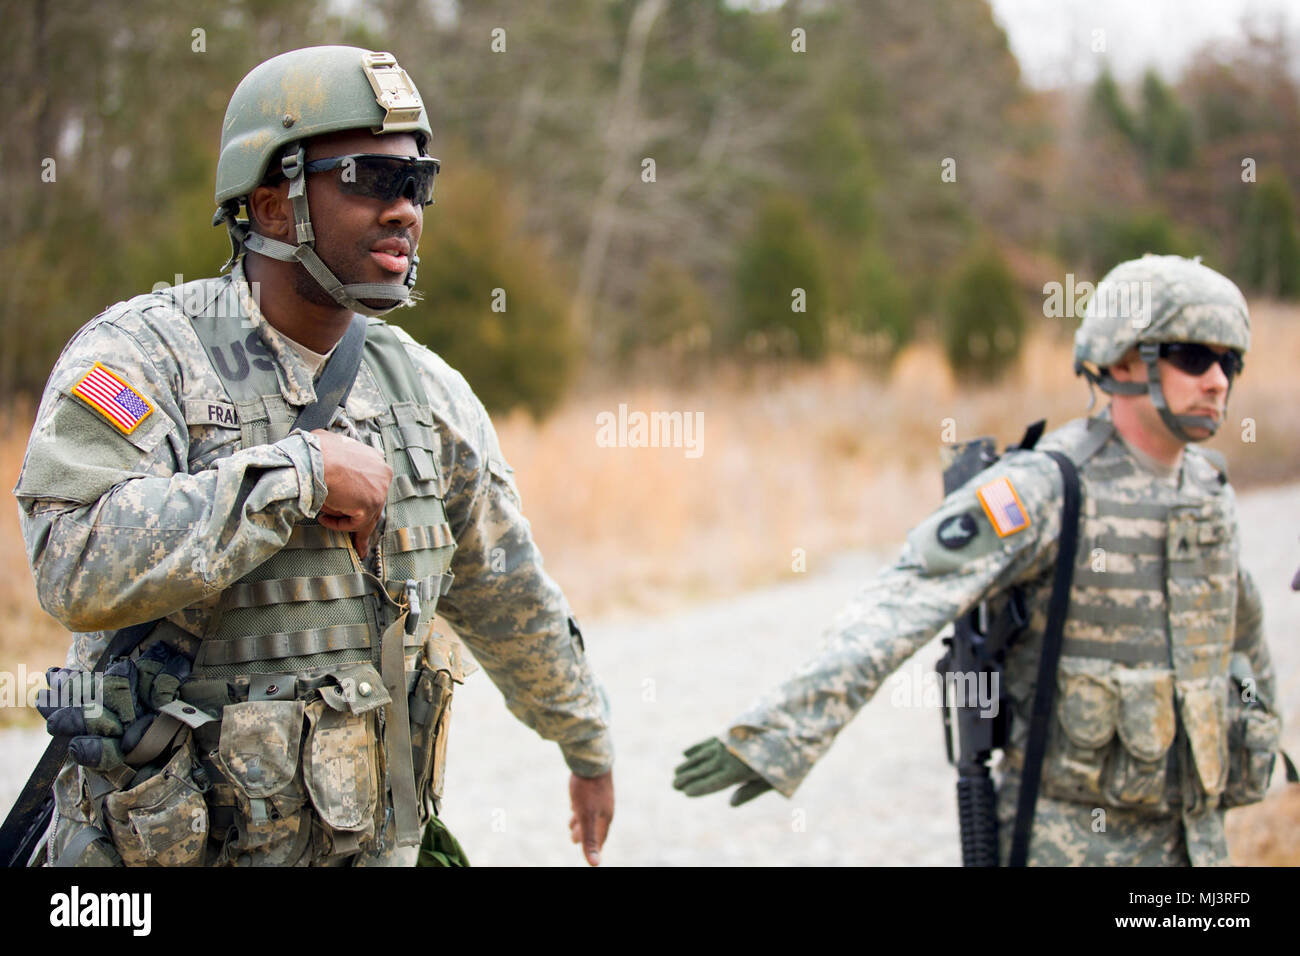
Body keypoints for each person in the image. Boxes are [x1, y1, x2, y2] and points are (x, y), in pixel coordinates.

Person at [15, 45, 614, 867]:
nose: (405, 210)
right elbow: (74, 562)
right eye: (371, 180)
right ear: (270, 204)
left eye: (417, 183)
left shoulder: (426, 394)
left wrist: (585, 740)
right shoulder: (141, 359)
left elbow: (506, 592)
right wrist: (295, 478)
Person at [674, 254, 1284, 866]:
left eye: (1229, 362)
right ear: (1125, 359)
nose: (1217, 380)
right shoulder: (1047, 487)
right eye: (1192, 357)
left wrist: (1264, 728)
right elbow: (904, 599)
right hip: (1075, 848)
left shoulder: (1207, 491)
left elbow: (1241, 637)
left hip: (1197, 856)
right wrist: (781, 734)